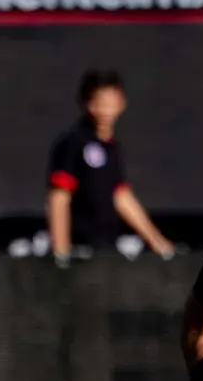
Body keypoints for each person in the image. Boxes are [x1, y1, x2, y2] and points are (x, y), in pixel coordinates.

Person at [46, 70, 172, 268]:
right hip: (80, 251)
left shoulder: (112, 148)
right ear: (86, 103)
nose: (105, 110)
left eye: (110, 102)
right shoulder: (73, 143)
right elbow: (59, 198)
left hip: (107, 249)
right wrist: (61, 253)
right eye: (99, 102)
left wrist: (157, 242)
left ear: (121, 103)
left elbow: (121, 195)